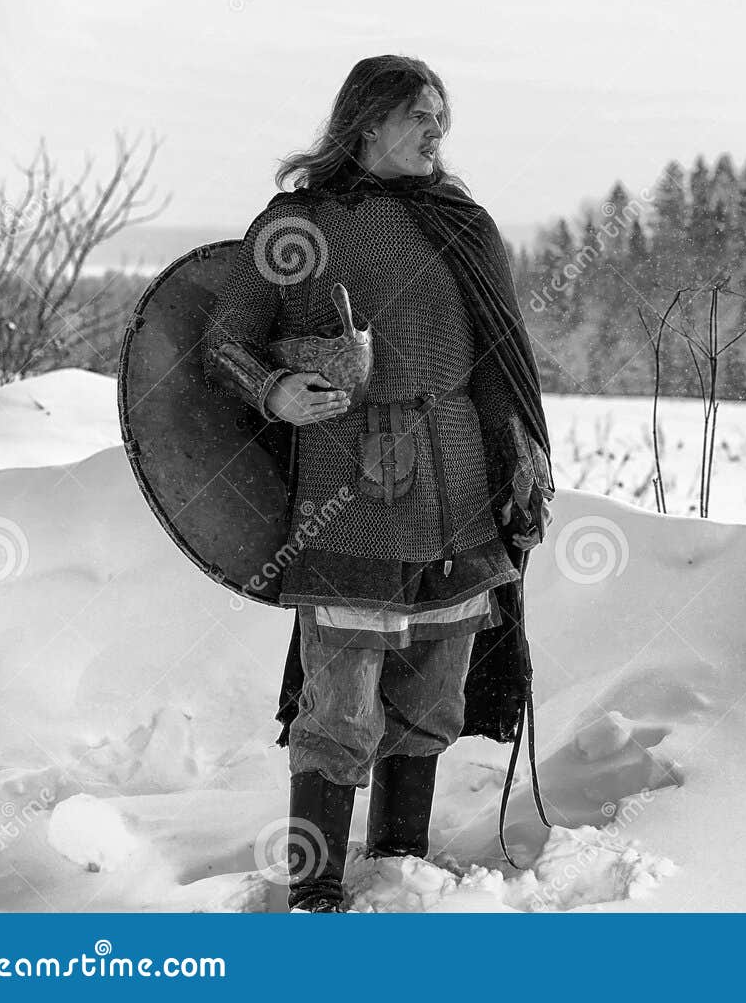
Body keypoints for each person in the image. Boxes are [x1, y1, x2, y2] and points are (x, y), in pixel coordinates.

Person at [203, 54, 554, 912]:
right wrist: (273, 388)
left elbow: (503, 361)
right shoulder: (300, 226)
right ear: (367, 123)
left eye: (443, 117)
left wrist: (522, 455)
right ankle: (317, 890)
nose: (439, 133)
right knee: (342, 698)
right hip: (349, 486)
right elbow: (222, 339)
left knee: (436, 683)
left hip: (457, 477)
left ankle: (399, 866)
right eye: (421, 116)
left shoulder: (463, 225)